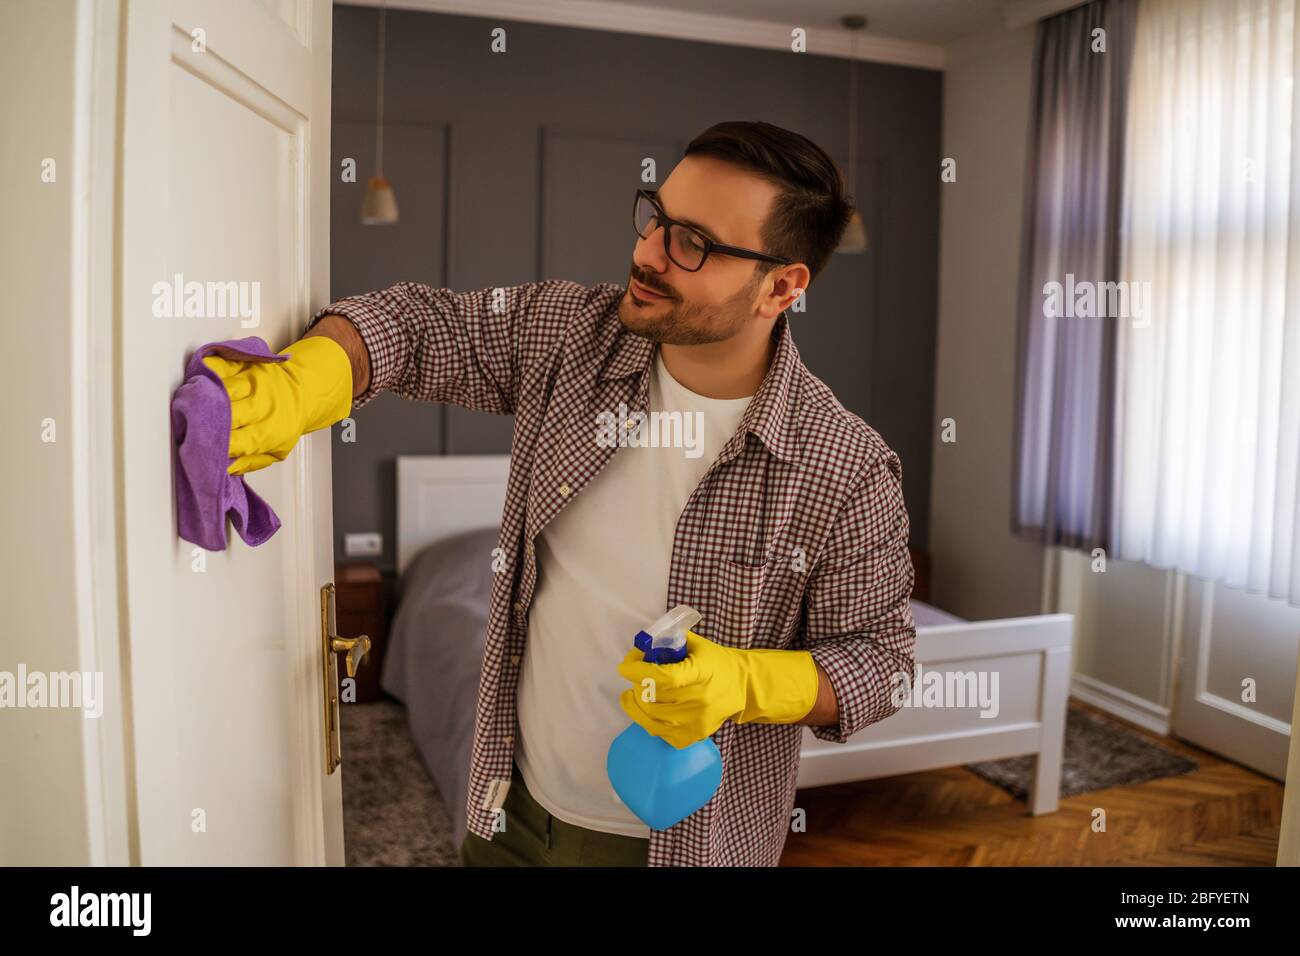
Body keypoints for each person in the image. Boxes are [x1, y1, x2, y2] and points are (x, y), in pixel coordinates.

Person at [201, 120, 917, 867]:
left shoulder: (847, 466)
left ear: (781, 286)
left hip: (685, 846)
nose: (647, 252)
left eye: (693, 243)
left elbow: (883, 663)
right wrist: (306, 379)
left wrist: (748, 680)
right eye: (656, 216)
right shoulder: (571, 336)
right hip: (506, 809)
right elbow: (415, 326)